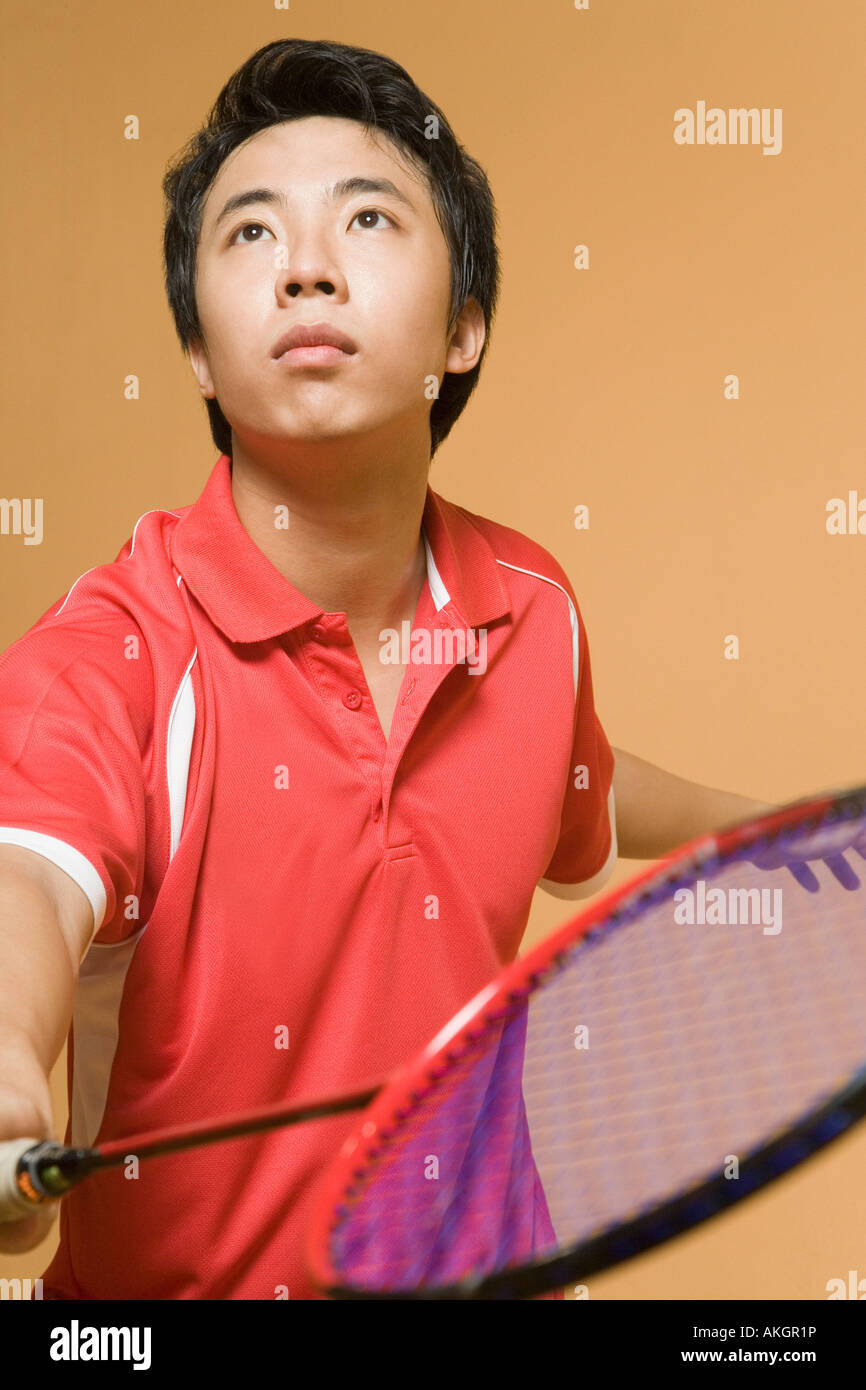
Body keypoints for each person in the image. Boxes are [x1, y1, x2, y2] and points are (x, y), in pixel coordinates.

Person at [0, 37, 775, 1299]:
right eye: (249, 235)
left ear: (462, 330)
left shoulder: (527, 610)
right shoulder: (115, 653)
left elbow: (575, 782)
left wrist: (777, 828)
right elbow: (26, 878)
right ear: (198, 351)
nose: (305, 266)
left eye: (366, 217)